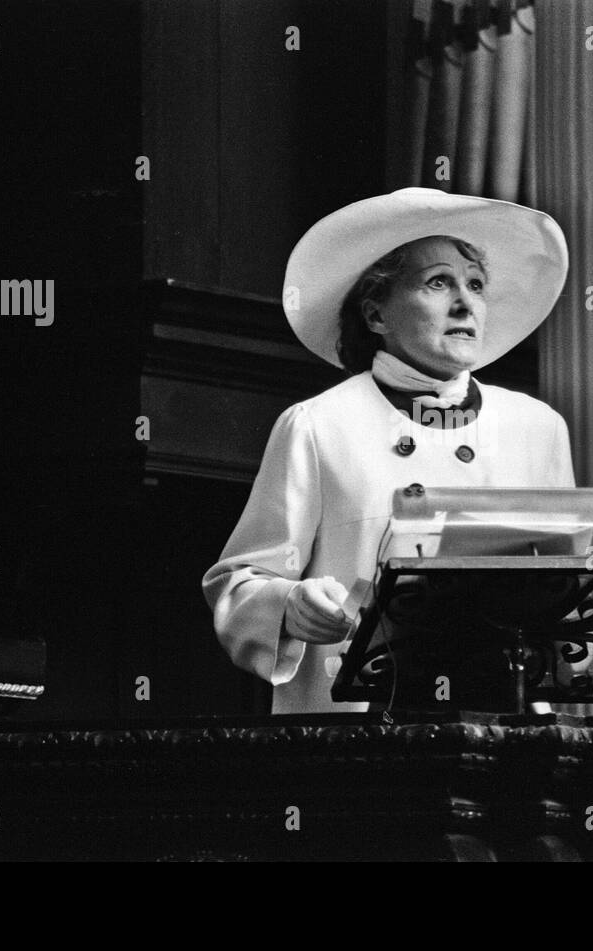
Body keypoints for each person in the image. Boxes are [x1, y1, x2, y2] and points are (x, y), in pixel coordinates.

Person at [202, 187, 574, 714]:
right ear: (377, 314)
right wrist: (290, 605)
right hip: (365, 739)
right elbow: (238, 584)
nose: (466, 303)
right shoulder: (319, 425)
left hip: (504, 734)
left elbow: (570, 593)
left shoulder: (538, 428)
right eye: (439, 282)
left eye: (475, 285)